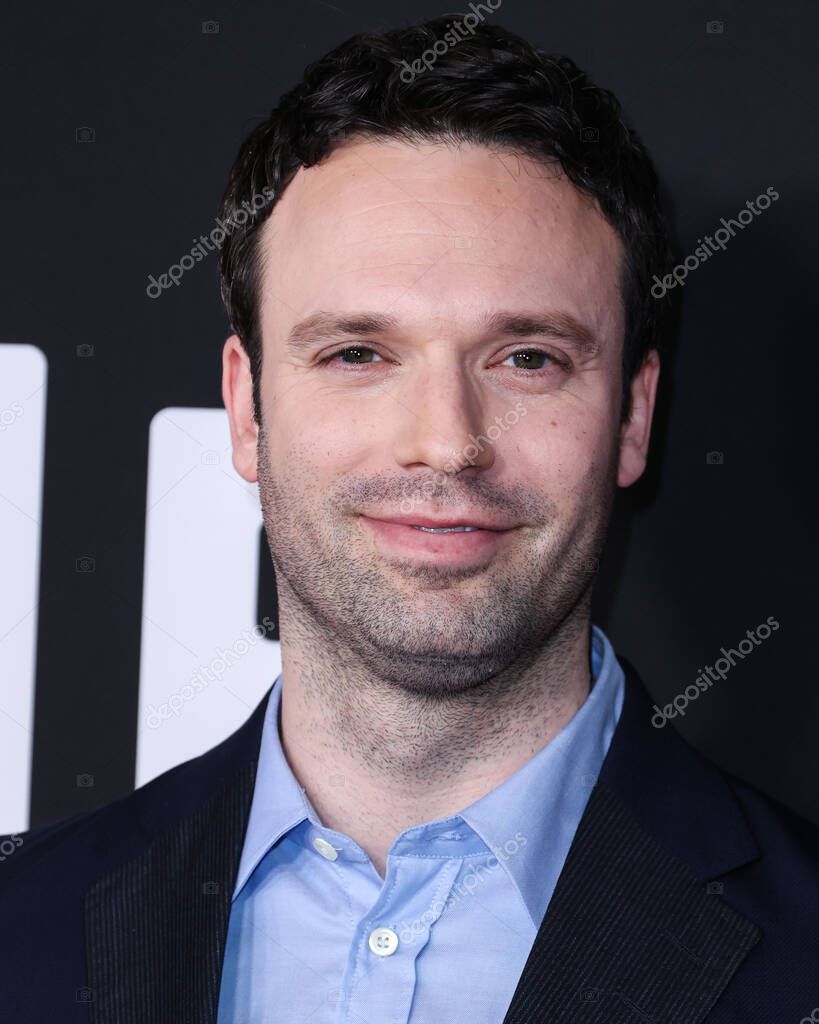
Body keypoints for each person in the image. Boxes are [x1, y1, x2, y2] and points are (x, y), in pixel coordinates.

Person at [1, 17, 817, 1024]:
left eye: (527, 358)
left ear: (633, 416)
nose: (445, 441)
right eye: (358, 353)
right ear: (247, 410)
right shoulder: (22, 931)